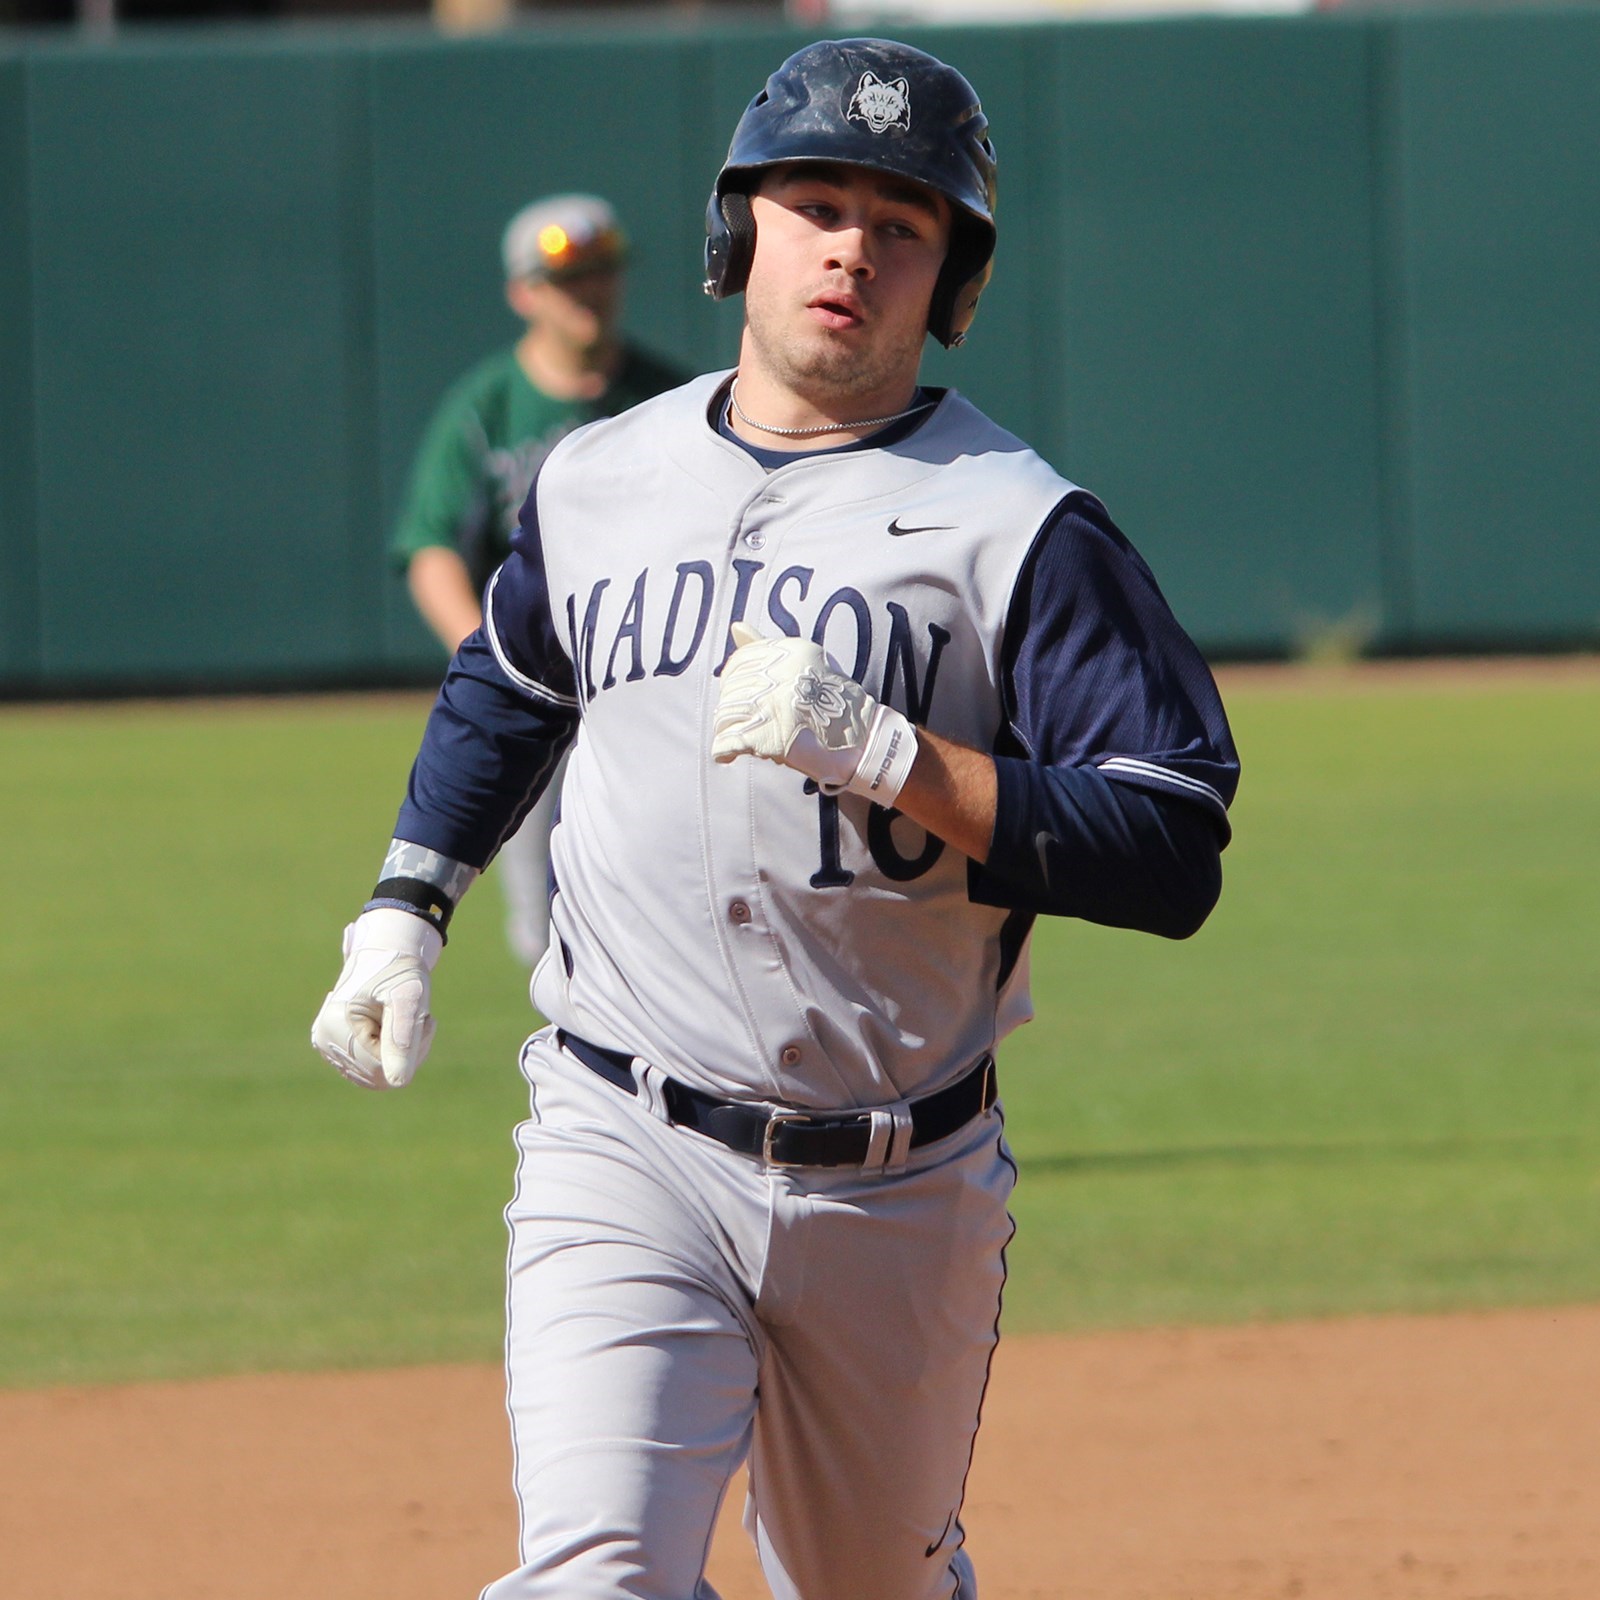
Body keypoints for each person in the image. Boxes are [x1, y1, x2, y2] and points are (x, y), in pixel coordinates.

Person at [313, 37, 1240, 1600]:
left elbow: (1170, 845)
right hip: (626, 1134)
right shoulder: (599, 480)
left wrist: (899, 758)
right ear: (739, 232)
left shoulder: (1020, 526)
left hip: (900, 1178)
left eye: (903, 224)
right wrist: (408, 904)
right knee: (592, 1579)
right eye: (814, 204)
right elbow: (511, 684)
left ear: (952, 279)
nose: (851, 251)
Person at [391, 192, 684, 967]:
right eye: (566, 278)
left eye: (601, 272)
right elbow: (430, 547)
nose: (589, 290)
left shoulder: (668, 401)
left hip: (649, 687)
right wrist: (493, 668)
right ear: (524, 293)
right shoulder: (486, 405)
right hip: (540, 692)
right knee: (551, 926)